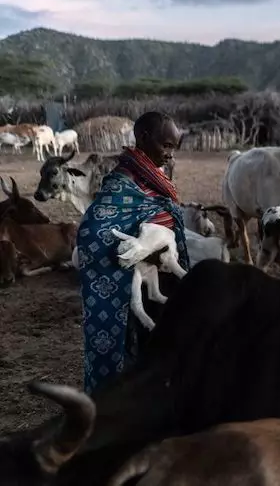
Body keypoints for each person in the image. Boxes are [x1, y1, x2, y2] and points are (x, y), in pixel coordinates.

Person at [75, 111, 189, 395]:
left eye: (173, 147)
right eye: (166, 145)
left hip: (161, 281)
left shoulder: (154, 180)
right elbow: (92, 234)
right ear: (143, 138)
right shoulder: (120, 183)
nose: (170, 154)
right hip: (129, 285)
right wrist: (140, 254)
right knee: (133, 351)